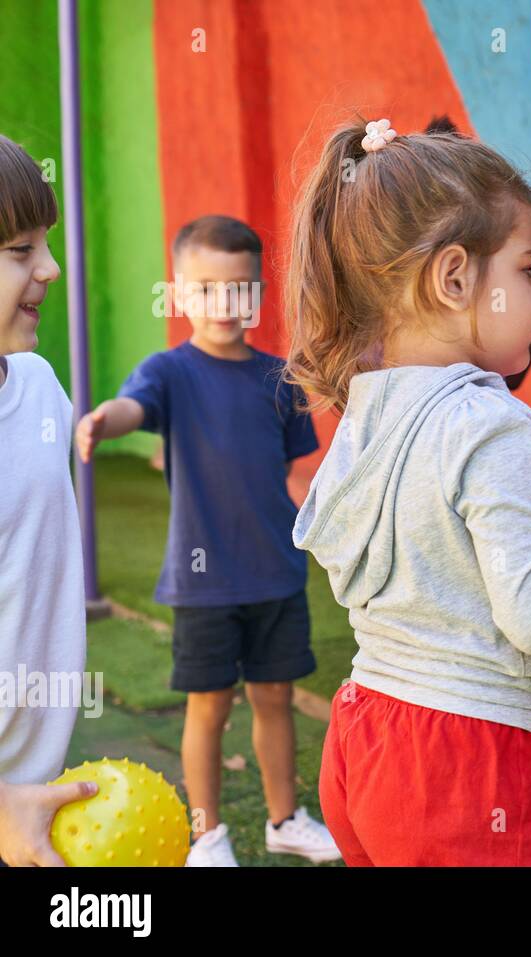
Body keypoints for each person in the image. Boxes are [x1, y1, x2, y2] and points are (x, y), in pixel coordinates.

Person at [285, 118, 531, 865]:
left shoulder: (366, 407)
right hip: (470, 768)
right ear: (454, 278)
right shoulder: (492, 422)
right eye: (530, 269)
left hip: (363, 739)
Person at [75, 215, 338, 866]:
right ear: (180, 294)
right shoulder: (167, 372)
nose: (224, 303)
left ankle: (284, 818)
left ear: (257, 293)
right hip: (203, 584)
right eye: (207, 288)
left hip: (276, 575)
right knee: (209, 707)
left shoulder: (279, 378)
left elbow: (295, 476)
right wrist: (106, 421)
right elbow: (134, 408)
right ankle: (209, 834)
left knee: (275, 700)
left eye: (240, 288)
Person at [0, 132, 98, 867]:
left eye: (46, 244)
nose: (51, 268)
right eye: (18, 251)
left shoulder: (39, 389)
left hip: (33, 790)